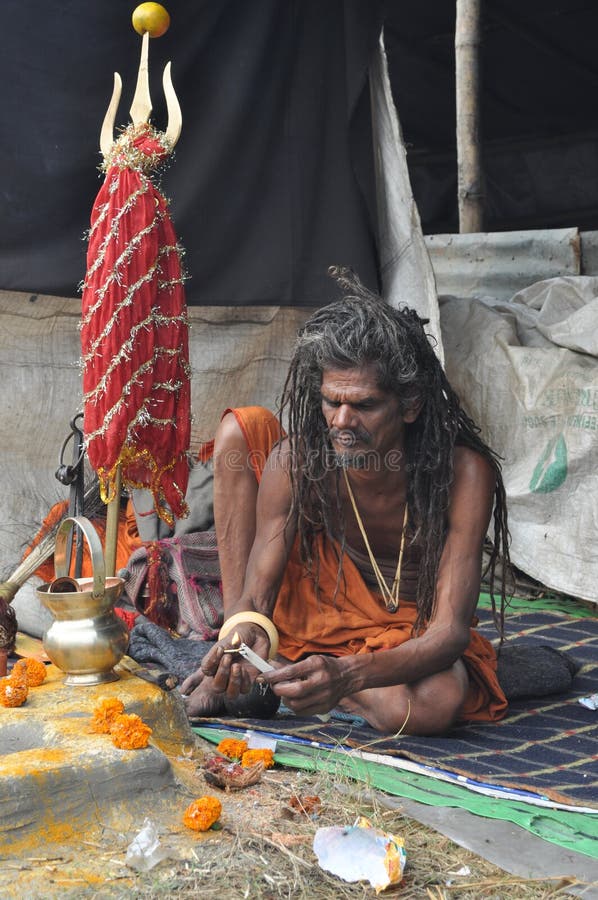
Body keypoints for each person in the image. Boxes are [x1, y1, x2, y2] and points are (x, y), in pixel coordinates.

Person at [181, 268, 510, 735]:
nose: (341, 421)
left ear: (410, 404)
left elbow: (449, 632)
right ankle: (248, 664)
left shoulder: (462, 473)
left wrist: (348, 674)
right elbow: (258, 592)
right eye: (331, 402)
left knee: (433, 705)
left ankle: (284, 672)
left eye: (364, 405)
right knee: (242, 427)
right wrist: (242, 632)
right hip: (319, 607)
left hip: (408, 632)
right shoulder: (299, 459)